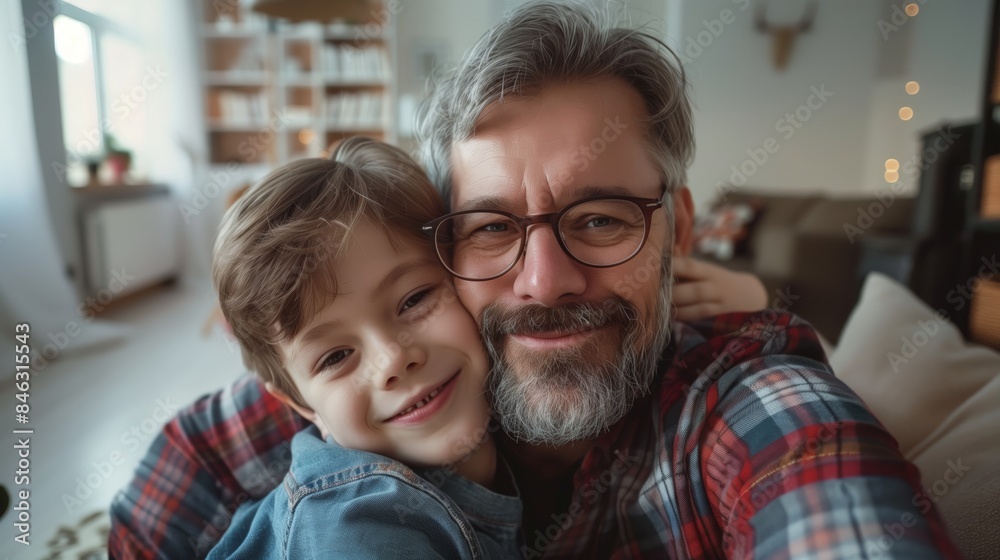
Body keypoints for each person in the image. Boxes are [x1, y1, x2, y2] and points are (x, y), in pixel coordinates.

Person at [111, 2, 958, 558]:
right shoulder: (391, 385)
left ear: (678, 229)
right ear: (445, 247)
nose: (545, 282)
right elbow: (187, 465)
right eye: (492, 229)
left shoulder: (746, 406)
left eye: (600, 219)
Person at [204, 137, 521, 559]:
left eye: (415, 300)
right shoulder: (352, 528)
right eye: (335, 357)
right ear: (301, 405)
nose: (393, 359)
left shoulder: (531, 413)